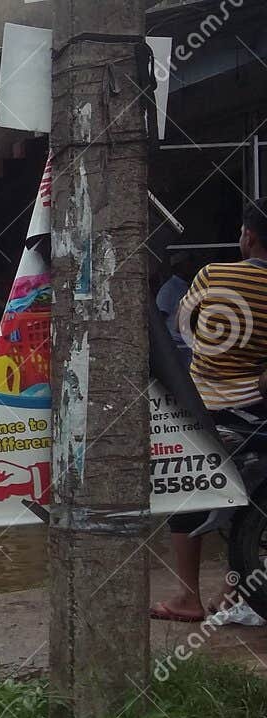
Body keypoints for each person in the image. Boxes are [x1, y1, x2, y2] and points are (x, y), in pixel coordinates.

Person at [154, 198, 267, 622]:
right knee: (251, 499)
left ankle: (187, 597)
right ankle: (235, 590)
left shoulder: (212, 275)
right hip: (257, 412)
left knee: (189, 491)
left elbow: (186, 331)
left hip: (206, 409)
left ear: (248, 236)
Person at [156, 254, 198, 370]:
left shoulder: (186, 287)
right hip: (177, 345)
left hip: (189, 344)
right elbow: (161, 318)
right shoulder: (169, 289)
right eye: (188, 263)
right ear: (179, 266)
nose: (192, 266)